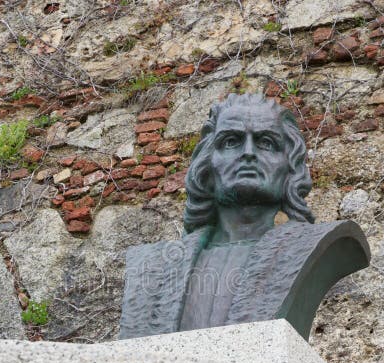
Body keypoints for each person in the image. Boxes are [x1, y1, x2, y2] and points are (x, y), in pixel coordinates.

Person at [119, 93, 370, 340]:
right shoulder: (153, 265)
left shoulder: (313, 245)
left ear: (289, 166)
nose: (248, 153)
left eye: (266, 142)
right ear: (207, 164)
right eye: (231, 141)